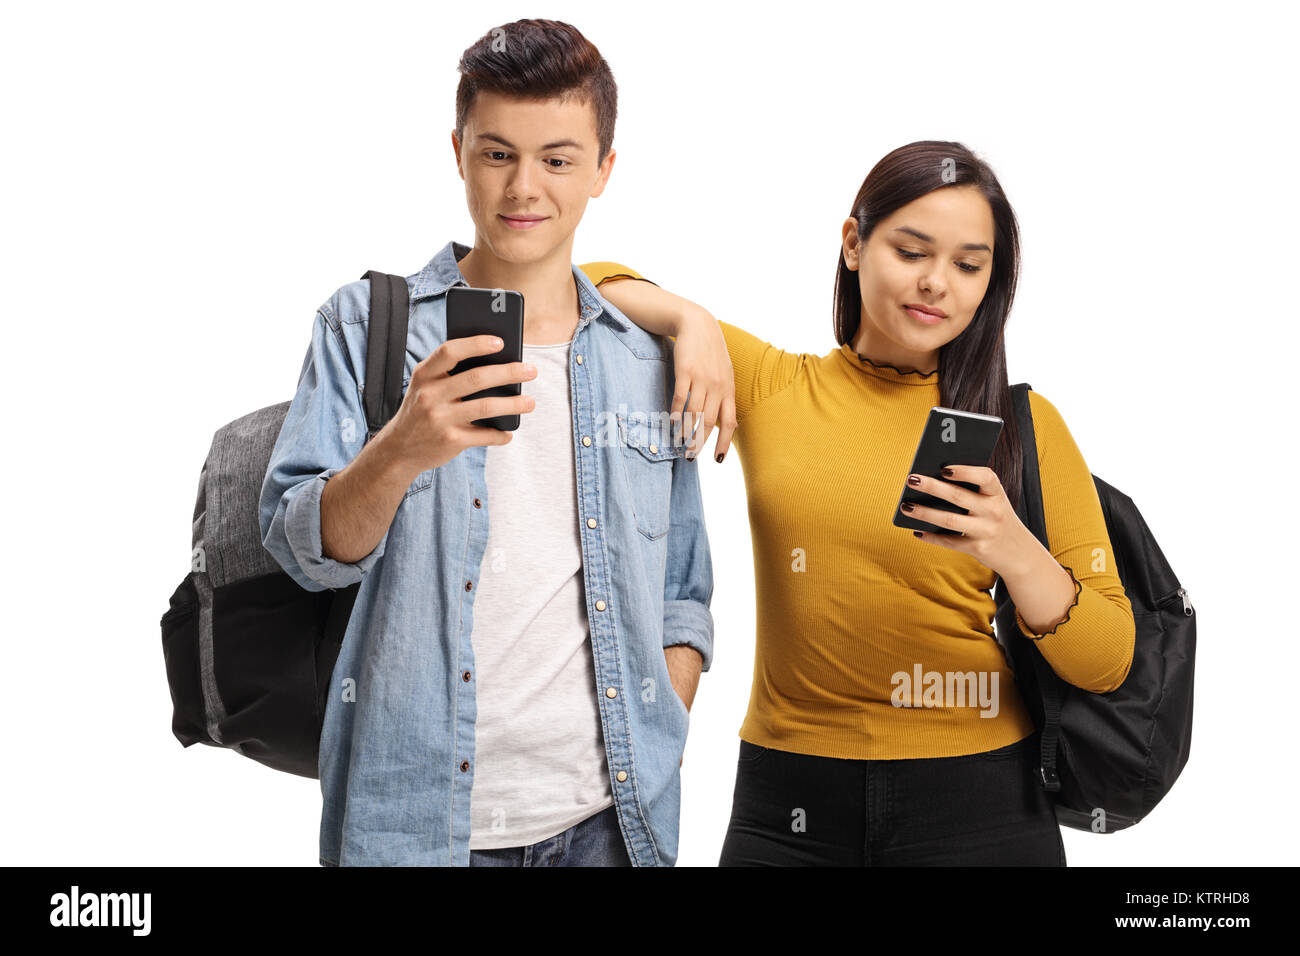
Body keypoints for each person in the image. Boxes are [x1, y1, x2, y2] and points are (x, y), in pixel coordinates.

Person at [587, 140, 1136, 865]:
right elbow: (586, 282)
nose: (938, 283)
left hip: (981, 806)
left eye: (969, 265)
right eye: (912, 252)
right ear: (854, 243)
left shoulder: (1021, 425)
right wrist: (690, 320)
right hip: (787, 803)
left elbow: (1108, 660)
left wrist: (1010, 545)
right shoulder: (775, 385)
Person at [258, 19, 714, 867]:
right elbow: (304, 550)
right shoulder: (364, 328)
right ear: (459, 150)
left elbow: (684, 589)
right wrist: (400, 448)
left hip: (612, 826)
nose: (523, 188)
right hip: (418, 826)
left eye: (558, 159)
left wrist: (663, 735)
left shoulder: (644, 359)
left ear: (603, 171)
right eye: (498, 153)